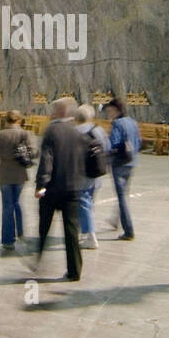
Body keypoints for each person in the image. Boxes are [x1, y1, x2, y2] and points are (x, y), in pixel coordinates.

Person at [32, 97, 86, 281]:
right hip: (73, 189)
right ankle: (74, 271)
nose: (51, 113)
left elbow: (46, 160)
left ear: (61, 112)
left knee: (44, 226)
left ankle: (38, 258)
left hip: (53, 188)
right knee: (71, 231)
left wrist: (41, 185)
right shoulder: (77, 133)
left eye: (54, 109)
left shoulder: (52, 131)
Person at [0, 110, 33, 247]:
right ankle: (21, 233)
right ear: (19, 120)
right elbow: (34, 152)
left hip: (4, 175)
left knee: (7, 206)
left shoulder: (0, 135)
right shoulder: (24, 134)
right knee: (17, 203)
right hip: (20, 174)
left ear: (6, 120)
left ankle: (7, 239)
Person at [73, 104, 110, 249]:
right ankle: (86, 231)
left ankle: (90, 236)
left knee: (84, 203)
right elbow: (107, 148)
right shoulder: (99, 130)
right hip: (97, 173)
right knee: (89, 203)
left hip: (81, 175)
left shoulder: (74, 132)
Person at [105, 98, 141, 240]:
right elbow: (139, 142)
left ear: (116, 110)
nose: (109, 113)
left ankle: (129, 230)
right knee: (124, 194)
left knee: (122, 198)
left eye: (110, 110)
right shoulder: (133, 122)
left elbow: (113, 143)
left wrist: (107, 154)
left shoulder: (117, 124)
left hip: (119, 163)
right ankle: (116, 220)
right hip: (131, 162)